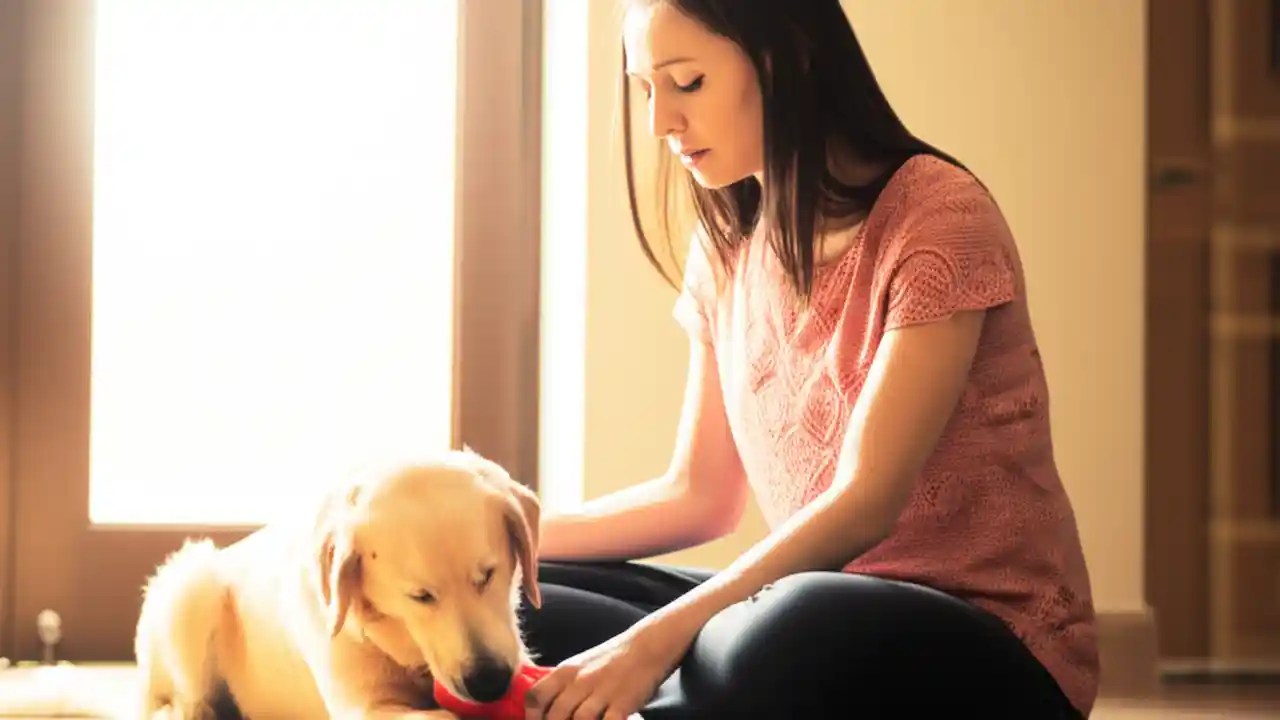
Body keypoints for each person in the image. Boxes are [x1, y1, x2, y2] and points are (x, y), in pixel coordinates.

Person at [520, 1, 1099, 718]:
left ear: (787, 55)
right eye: (647, 90)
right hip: (806, 613)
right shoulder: (728, 246)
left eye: (687, 83)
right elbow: (699, 495)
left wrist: (650, 644)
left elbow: (866, 504)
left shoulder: (938, 217)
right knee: (520, 598)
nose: (660, 123)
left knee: (781, 627)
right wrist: (504, 537)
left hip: (983, 647)